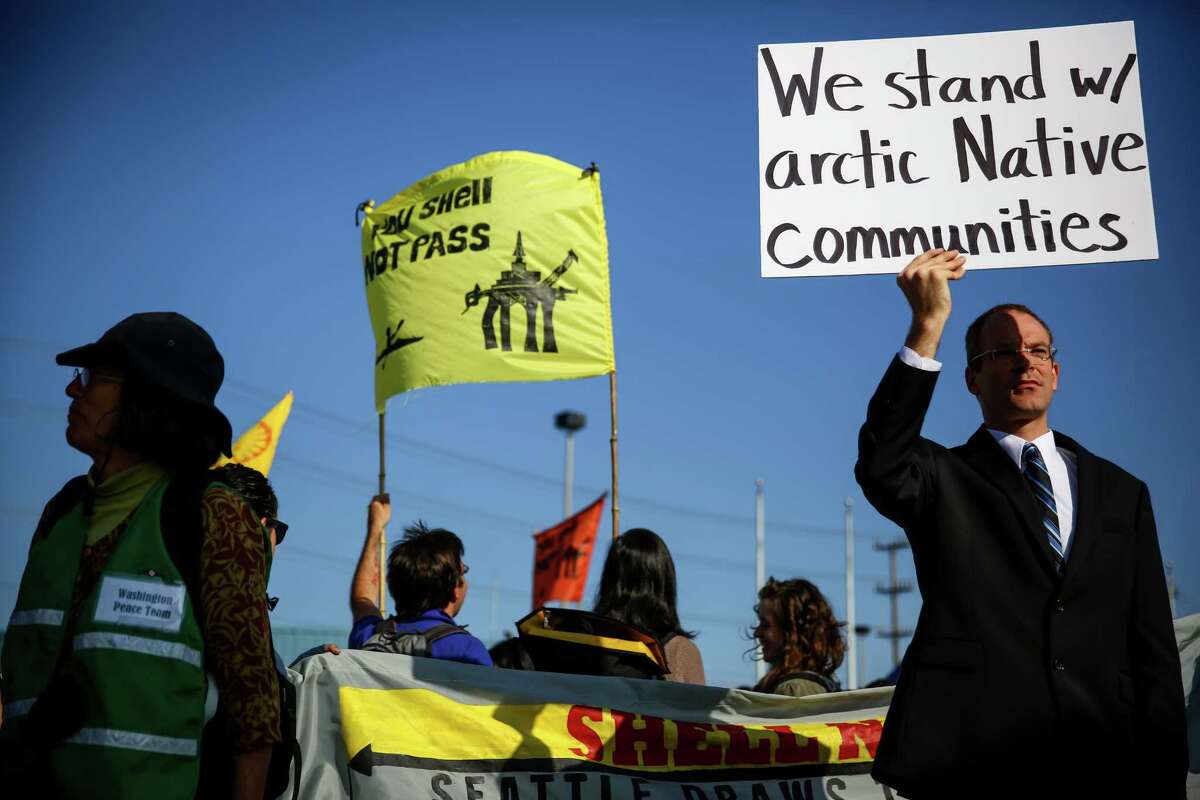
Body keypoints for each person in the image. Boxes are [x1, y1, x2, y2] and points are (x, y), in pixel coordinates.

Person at [854, 249, 1185, 797]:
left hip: (1103, 764)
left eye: (1037, 351)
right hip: (972, 763)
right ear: (972, 377)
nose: (1025, 362)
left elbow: (1152, 648)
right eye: (1003, 352)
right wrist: (927, 324)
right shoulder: (941, 477)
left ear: (1056, 372)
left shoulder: (1122, 493)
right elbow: (881, 462)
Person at [0, 312, 280, 800]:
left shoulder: (213, 513)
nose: (73, 390)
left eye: (94, 378)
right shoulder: (61, 511)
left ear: (149, 397)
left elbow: (252, 702)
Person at [347, 494, 491, 666]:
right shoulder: (467, 650)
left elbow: (362, 599)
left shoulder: (369, 637)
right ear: (455, 590)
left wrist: (375, 527)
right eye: (463, 571)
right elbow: (361, 601)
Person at [593, 528, 704, 684]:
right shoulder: (679, 650)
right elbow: (697, 700)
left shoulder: (585, 645)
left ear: (609, 579)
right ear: (664, 581)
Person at [751, 578, 843, 697]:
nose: (757, 633)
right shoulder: (817, 684)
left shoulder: (795, 689)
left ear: (793, 631)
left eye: (766, 624)